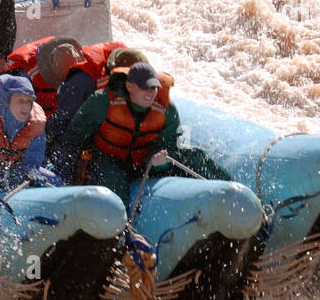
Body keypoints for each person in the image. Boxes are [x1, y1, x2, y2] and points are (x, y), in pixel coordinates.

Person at [49, 60, 233, 205]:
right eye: (144, 87)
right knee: (113, 179)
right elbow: (76, 135)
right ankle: (121, 233)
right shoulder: (102, 102)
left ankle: (234, 193)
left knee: (196, 157)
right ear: (129, 86)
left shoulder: (166, 110)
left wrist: (156, 161)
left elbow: (169, 146)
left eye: (153, 87)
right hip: (110, 159)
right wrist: (64, 168)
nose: (150, 93)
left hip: (147, 161)